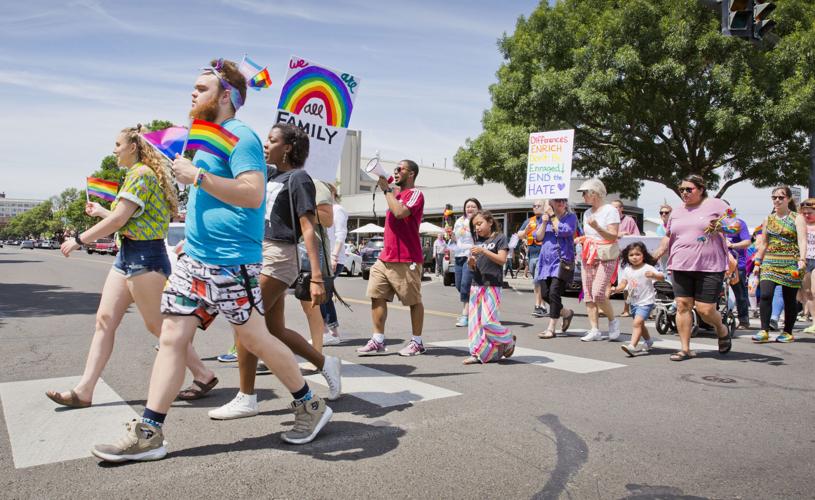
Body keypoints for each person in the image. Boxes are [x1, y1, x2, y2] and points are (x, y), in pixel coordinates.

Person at [91, 59, 331, 462]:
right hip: (196, 260)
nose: (192, 94)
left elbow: (252, 193)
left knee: (255, 339)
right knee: (171, 337)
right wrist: (190, 234)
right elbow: (210, 197)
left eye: (201, 89)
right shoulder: (205, 137)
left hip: (231, 261)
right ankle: (150, 432)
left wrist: (197, 177)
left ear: (225, 97)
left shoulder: (242, 137)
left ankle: (310, 406)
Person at [47, 125, 214, 408]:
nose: (114, 150)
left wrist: (78, 239)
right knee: (104, 321)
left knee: (159, 327)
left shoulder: (141, 175)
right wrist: (102, 212)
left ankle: (203, 373)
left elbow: (118, 220)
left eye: (117, 144)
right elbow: (126, 217)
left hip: (145, 257)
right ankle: (84, 390)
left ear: (133, 146)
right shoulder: (136, 175)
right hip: (128, 255)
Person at [209, 124, 342, 420]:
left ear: (289, 148)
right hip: (259, 253)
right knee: (274, 329)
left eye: (272, 140)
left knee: (246, 323)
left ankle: (246, 397)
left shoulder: (299, 178)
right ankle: (325, 363)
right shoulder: (269, 175)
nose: (266, 145)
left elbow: (309, 228)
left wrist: (318, 276)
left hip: (280, 256)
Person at [653, 175, 732, 361]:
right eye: (682, 190)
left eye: (689, 189)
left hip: (710, 266)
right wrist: (655, 254)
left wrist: (723, 227)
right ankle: (685, 349)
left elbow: (734, 225)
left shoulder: (716, 205)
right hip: (680, 264)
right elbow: (668, 236)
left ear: (701, 189)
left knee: (705, 310)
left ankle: (721, 329)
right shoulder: (677, 212)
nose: (685, 193)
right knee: (682, 305)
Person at [357, 160, 426, 356]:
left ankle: (417, 342)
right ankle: (378, 339)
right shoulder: (397, 194)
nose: (396, 172)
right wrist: (387, 186)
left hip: (406, 258)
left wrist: (387, 190)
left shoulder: (415, 194)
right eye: (394, 169)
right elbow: (393, 197)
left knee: (413, 301)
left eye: (400, 169)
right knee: (376, 296)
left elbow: (399, 212)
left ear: (411, 174)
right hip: (385, 258)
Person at [751, 186, 807, 344]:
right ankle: (764, 330)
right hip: (770, 261)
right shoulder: (768, 219)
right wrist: (757, 262)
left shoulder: (797, 218)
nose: (777, 200)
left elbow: (802, 240)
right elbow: (763, 243)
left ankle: (788, 331)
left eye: (780, 197)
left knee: (789, 299)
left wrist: (802, 260)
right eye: (774, 197)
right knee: (766, 294)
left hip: (790, 262)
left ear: (788, 199)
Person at [462, 210, 516, 364]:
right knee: (474, 323)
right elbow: (473, 267)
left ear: (490, 222)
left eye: (479, 223)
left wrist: (484, 251)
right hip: (476, 284)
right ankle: (477, 353)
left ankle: (508, 338)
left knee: (488, 322)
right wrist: (471, 263)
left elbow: (502, 259)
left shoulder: (500, 238)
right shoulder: (477, 241)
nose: (477, 228)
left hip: (492, 285)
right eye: (475, 226)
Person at [575, 179, 621, 342]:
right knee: (588, 293)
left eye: (585, 193)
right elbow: (591, 235)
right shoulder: (587, 213)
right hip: (588, 253)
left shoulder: (610, 210)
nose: (583, 196)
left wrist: (597, 228)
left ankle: (613, 321)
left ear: (594, 193)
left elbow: (613, 235)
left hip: (605, 255)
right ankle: (594, 329)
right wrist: (583, 237)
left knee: (598, 292)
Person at [533, 199, 578, 339]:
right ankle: (566, 313)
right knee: (545, 294)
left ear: (566, 203)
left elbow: (565, 231)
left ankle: (551, 328)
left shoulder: (570, 217)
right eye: (556, 201)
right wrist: (545, 221)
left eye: (562, 201)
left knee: (554, 293)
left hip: (561, 260)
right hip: (545, 261)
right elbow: (538, 237)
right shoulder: (544, 218)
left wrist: (552, 217)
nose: (559, 203)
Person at [613, 242, 664, 356]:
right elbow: (623, 284)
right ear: (627, 257)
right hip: (634, 301)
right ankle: (649, 341)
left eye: (637, 254)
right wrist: (615, 289)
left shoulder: (648, 268)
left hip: (646, 301)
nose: (634, 257)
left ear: (643, 255)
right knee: (640, 324)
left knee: (637, 323)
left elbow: (662, 277)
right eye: (631, 255)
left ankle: (632, 346)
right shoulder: (627, 270)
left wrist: (654, 275)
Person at [322, 182, 348, 345]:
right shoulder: (323, 209)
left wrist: (334, 256)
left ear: (331, 193)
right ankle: (332, 332)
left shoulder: (337, 210)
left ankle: (328, 332)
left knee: (321, 294)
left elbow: (340, 235)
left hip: (333, 258)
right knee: (325, 295)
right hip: (323, 257)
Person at [722, 201, 752, 329]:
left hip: (737, 263)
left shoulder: (738, 223)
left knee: (740, 293)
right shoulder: (712, 224)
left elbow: (747, 242)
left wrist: (732, 245)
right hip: (718, 264)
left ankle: (744, 320)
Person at [451, 198, 481, 327]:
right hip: (459, 255)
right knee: (458, 285)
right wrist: (450, 234)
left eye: (473, 206)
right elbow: (455, 238)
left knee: (465, 284)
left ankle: (465, 315)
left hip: (471, 255)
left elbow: (481, 238)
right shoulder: (459, 220)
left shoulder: (479, 221)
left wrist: (475, 253)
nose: (470, 209)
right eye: (468, 206)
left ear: (478, 208)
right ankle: (474, 309)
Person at [516, 200, 547, 316]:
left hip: (543, 254)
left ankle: (537, 305)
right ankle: (543, 305)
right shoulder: (529, 221)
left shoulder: (547, 219)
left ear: (544, 207)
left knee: (537, 280)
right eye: (534, 206)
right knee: (537, 282)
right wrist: (526, 231)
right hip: (531, 254)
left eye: (539, 206)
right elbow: (519, 234)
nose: (536, 207)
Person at [800, 199, 815, 334]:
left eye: (809, 213)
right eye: (804, 213)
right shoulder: (800, 226)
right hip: (805, 261)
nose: (806, 215)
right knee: (808, 293)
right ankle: (814, 322)